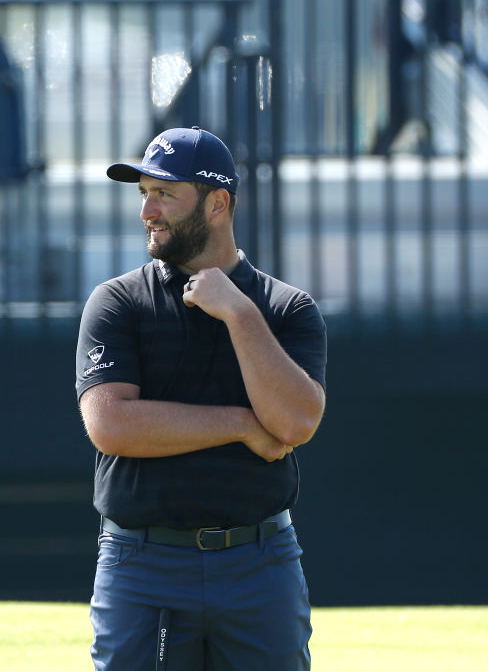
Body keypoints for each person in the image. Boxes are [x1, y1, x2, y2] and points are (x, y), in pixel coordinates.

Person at [75, 126, 327, 670]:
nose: (148, 211)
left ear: (218, 204)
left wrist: (237, 311)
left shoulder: (286, 309)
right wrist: (239, 423)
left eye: (164, 193)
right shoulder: (117, 302)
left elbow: (297, 421)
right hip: (143, 562)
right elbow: (110, 424)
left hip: (259, 563)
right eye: (143, 194)